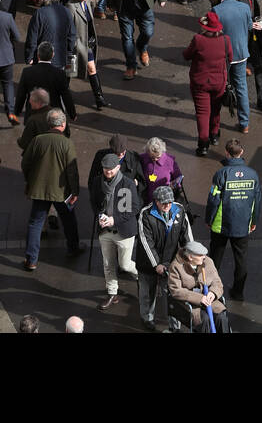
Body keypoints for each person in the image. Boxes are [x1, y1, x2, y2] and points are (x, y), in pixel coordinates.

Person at [21, 108, 84, 271]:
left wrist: (31, 180)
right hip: (61, 192)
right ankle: (73, 248)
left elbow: (25, 163)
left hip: (40, 189)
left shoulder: (37, 140)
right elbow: (72, 171)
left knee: (35, 223)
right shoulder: (67, 143)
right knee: (69, 220)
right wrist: (75, 191)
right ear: (63, 124)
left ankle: (31, 259)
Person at [205, 138, 261, 301]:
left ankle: (211, 291)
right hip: (243, 225)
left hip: (221, 225)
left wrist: (209, 218)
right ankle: (238, 292)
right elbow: (257, 201)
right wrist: (254, 221)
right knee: (241, 260)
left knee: (215, 259)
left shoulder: (221, 174)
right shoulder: (253, 174)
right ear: (242, 153)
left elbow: (213, 199)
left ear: (227, 153)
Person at [134, 183, 192, 331]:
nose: (167, 205)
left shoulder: (179, 210)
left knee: (173, 295)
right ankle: (147, 318)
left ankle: (175, 325)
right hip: (148, 263)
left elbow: (186, 236)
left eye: (169, 202)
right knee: (147, 293)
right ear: (156, 201)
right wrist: (156, 264)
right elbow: (146, 242)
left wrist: (190, 256)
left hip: (171, 262)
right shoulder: (145, 214)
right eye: (163, 203)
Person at [89, 151, 141, 309]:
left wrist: (114, 219)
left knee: (125, 265)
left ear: (118, 167)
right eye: (105, 169)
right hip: (105, 232)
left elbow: (134, 207)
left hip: (124, 232)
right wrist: (99, 215)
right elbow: (94, 202)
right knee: (108, 264)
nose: (108, 172)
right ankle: (112, 293)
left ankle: (144, 278)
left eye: (111, 169)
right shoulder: (98, 182)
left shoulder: (128, 183)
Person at [182, 9, 232, 155]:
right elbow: (231, 57)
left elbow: (186, 55)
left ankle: (203, 144)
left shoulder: (198, 39)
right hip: (219, 82)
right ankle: (214, 135)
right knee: (216, 109)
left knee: (203, 113)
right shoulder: (225, 40)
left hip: (200, 82)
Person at [213, 0, 252, 132]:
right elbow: (249, 27)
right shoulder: (244, 7)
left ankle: (215, 124)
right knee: (241, 88)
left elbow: (213, 34)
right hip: (241, 54)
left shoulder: (216, 10)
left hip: (223, 56)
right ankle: (245, 123)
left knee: (219, 87)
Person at [167, 240, 230, 333]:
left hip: (209, 299)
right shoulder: (176, 266)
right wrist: (199, 298)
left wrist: (213, 293)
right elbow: (176, 290)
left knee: (221, 317)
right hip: (188, 303)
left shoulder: (208, 261)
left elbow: (217, 282)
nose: (204, 257)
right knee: (204, 320)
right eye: (200, 255)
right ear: (190, 257)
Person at [108, 0, 165, 79]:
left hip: (144, 4)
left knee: (148, 32)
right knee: (127, 38)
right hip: (124, 5)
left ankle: (142, 47)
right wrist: (110, 2)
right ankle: (131, 66)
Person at [233, 0, 262, 112]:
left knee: (260, 67)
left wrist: (259, 22)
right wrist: (250, 24)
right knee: (237, 71)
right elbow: (236, 19)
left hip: (254, 37)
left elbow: (255, 11)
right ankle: (233, 99)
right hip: (242, 39)